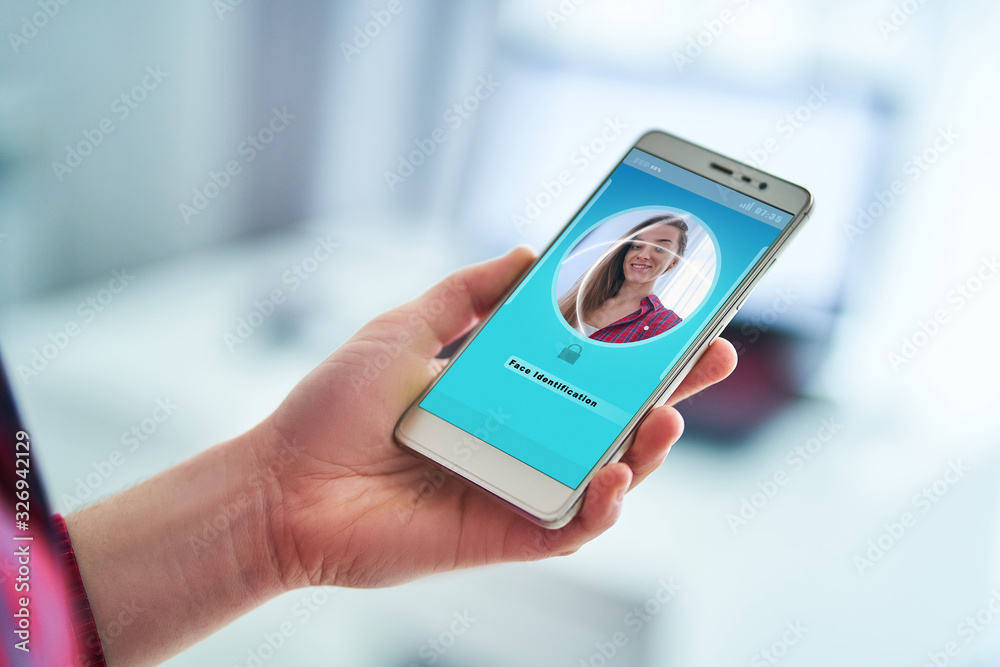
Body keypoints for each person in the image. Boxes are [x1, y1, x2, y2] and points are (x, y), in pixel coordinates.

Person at [58, 247, 736, 664]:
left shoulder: (663, 331)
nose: (652, 255)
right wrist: (274, 505)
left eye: (670, 251)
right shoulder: (569, 298)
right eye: (646, 240)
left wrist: (275, 512)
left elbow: (18, 613)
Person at [558, 215, 689, 343]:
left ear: (673, 262)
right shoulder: (585, 296)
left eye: (660, 249)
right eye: (637, 245)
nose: (643, 255)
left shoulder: (668, 326)